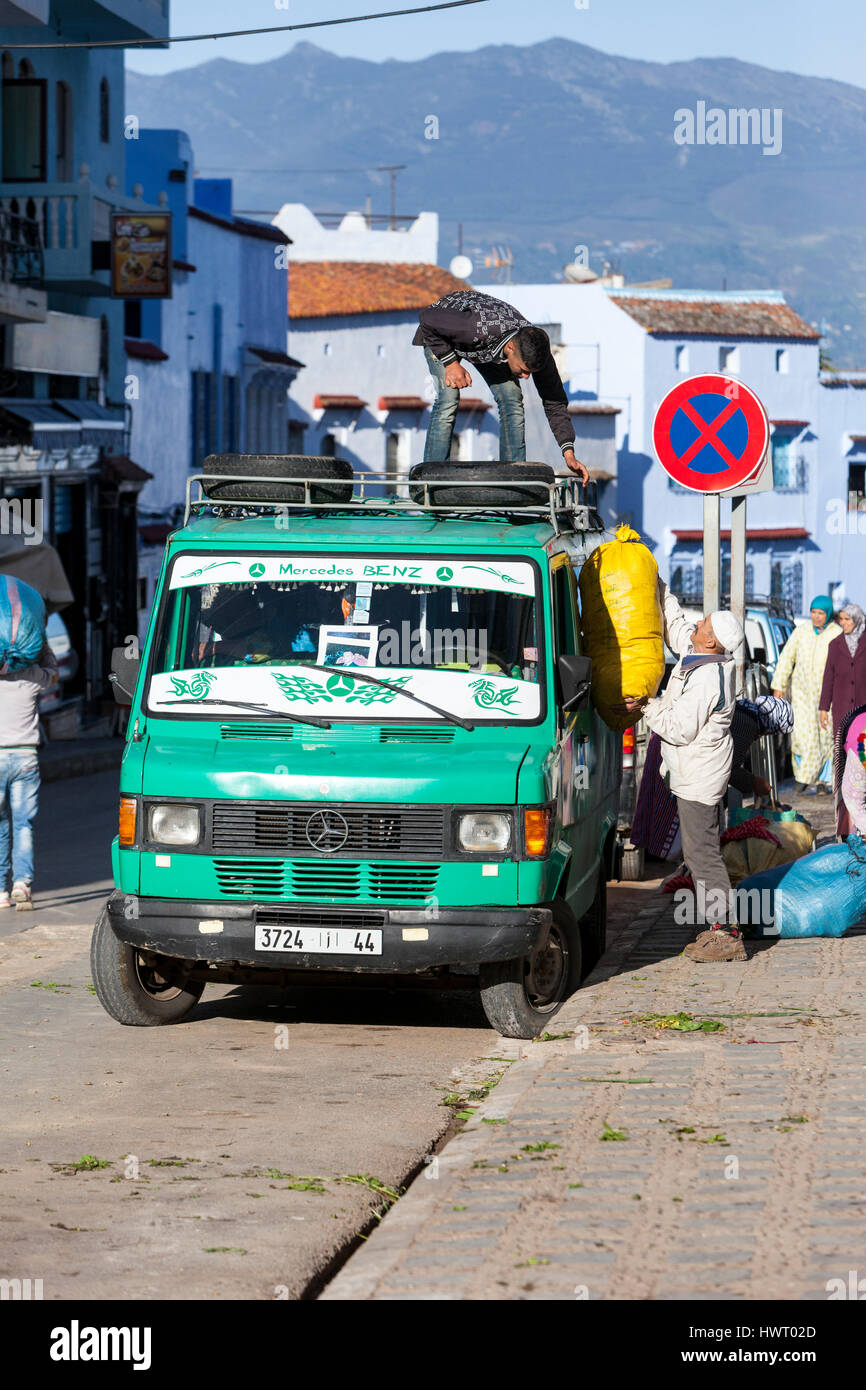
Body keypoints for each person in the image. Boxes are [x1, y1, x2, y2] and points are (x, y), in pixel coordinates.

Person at [621, 584, 746, 962]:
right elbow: (676, 626)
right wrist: (659, 589)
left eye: (703, 624)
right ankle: (717, 926)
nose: (697, 624)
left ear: (712, 642)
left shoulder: (709, 678)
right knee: (697, 851)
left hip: (700, 777)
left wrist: (646, 706)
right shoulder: (702, 655)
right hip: (692, 772)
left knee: (702, 852)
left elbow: (678, 728)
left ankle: (726, 933)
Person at [413, 289, 589, 482]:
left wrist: (568, 452)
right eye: (523, 370)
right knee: (448, 399)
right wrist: (450, 363)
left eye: (530, 372)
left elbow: (554, 402)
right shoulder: (473, 327)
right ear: (510, 348)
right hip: (440, 337)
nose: (526, 376)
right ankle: (431, 478)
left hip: (486, 346)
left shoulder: (538, 352)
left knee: (512, 399)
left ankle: (513, 476)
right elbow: (427, 318)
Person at [0, 638, 58, 910]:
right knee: (23, 824)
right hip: (25, 758)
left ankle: (0, 891)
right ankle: (21, 883)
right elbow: (54, 674)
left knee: (0, 825)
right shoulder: (33, 676)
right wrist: (44, 645)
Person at [772, 597, 839, 794]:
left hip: (828, 696)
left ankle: (823, 781)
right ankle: (802, 777)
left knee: (825, 737)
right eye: (813, 612)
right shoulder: (801, 632)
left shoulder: (836, 634)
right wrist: (779, 685)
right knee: (801, 735)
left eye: (821, 613)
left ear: (828, 615)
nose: (816, 617)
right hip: (802, 695)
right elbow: (786, 658)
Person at [819, 604, 866, 838]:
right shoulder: (835, 646)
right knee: (842, 769)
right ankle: (844, 826)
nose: (844, 624)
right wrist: (823, 708)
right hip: (843, 716)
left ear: (857, 619)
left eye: (848, 620)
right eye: (842, 620)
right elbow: (829, 678)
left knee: (863, 766)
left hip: (864, 717)